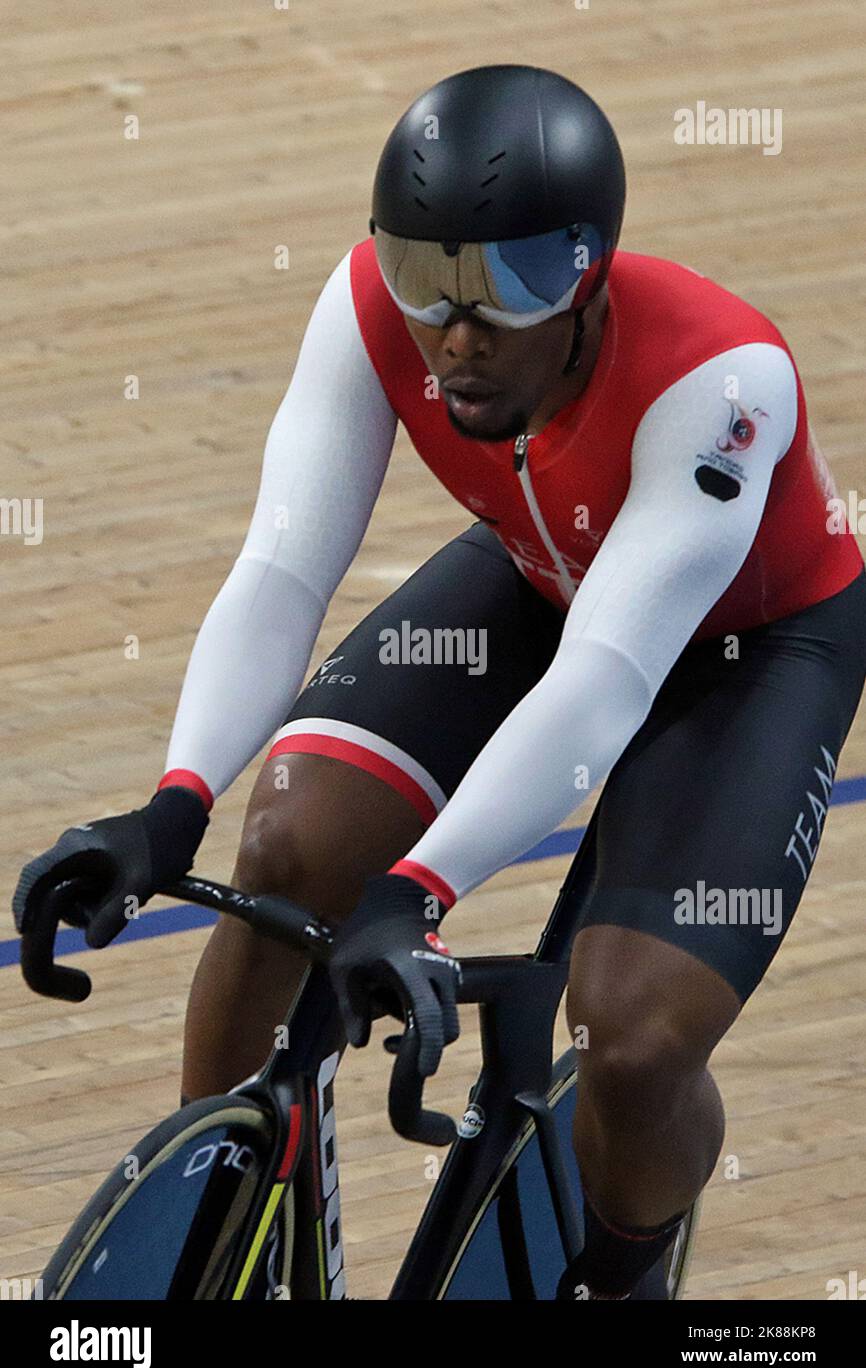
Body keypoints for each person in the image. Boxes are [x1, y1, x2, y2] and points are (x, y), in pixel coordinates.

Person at [14, 64, 866, 1301]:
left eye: (511, 287)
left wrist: (418, 890)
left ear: (586, 274)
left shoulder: (722, 381)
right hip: (545, 575)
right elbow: (278, 570)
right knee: (286, 852)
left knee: (629, 1036)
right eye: (424, 281)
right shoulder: (371, 310)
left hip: (748, 647)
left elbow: (605, 681)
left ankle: (620, 1280)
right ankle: (220, 1239)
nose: (456, 335)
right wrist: (170, 803)